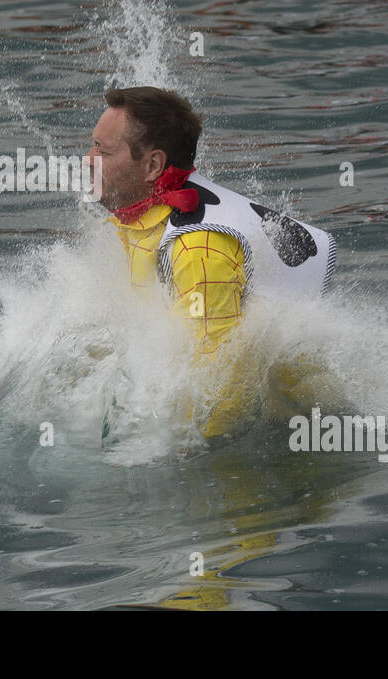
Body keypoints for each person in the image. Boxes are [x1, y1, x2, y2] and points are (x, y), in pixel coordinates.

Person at [85, 86, 336, 441]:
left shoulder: (197, 249)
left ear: (153, 165)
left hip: (286, 433)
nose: (87, 159)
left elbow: (224, 382)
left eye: (102, 151)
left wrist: (183, 458)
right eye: (93, 144)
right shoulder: (147, 215)